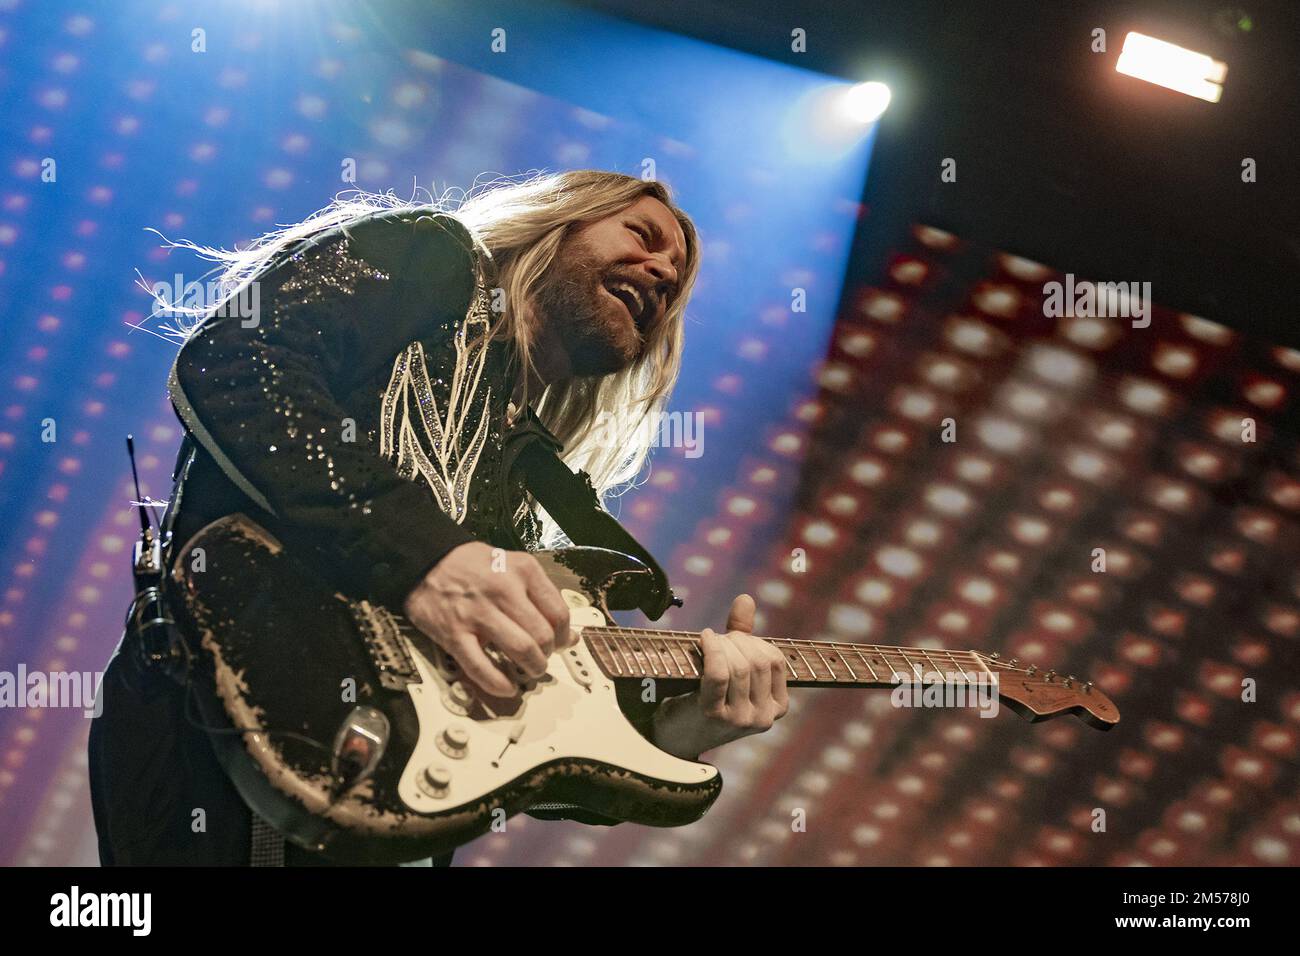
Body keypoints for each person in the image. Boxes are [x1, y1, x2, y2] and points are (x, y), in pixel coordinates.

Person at [89, 171, 790, 866]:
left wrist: (678, 728)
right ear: (560, 219)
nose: (664, 270)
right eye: (644, 235)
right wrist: (428, 559)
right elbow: (241, 362)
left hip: (379, 810)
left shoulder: (526, 479)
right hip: (223, 729)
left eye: (674, 282)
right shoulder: (433, 257)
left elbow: (532, 741)